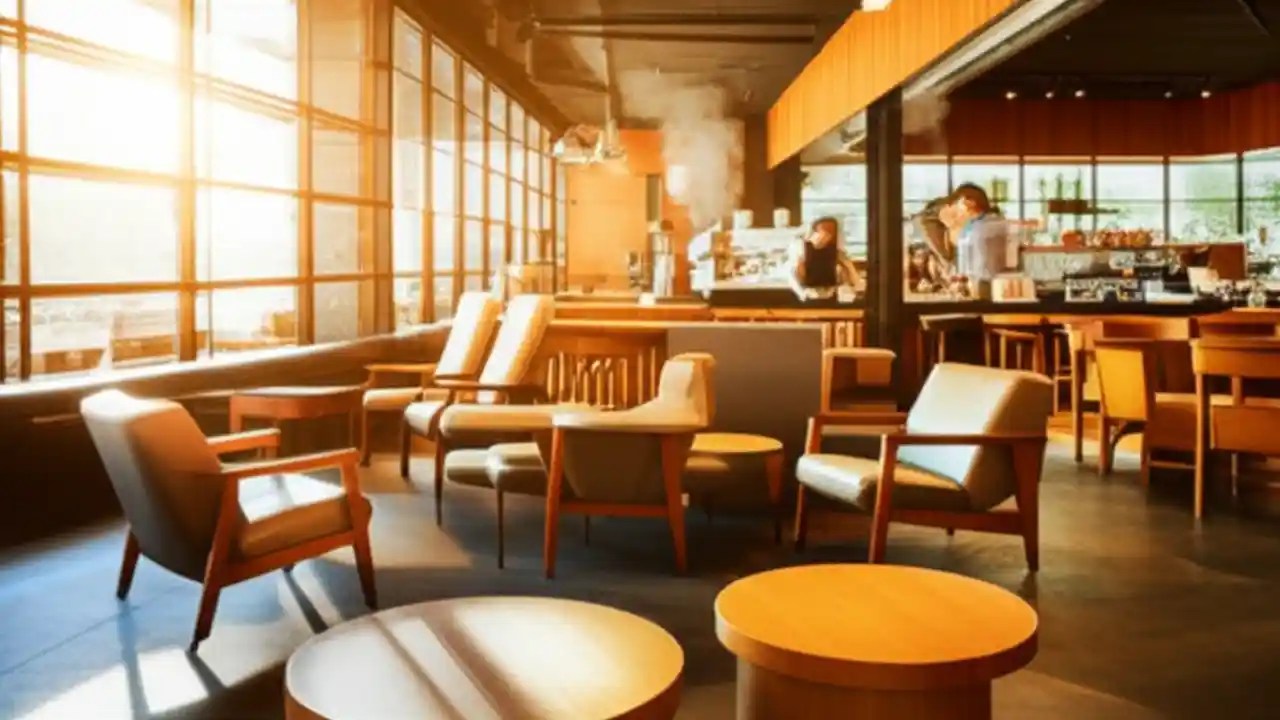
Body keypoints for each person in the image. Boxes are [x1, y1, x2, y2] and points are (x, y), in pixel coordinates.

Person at [946, 183, 1009, 298]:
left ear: (971, 202)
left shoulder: (985, 226)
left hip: (986, 284)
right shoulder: (972, 225)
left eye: (958, 203)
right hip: (979, 283)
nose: (956, 209)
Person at [787, 216, 861, 300]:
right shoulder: (801, 253)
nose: (826, 237)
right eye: (822, 232)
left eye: (831, 233)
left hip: (835, 300)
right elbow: (792, 276)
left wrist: (847, 265)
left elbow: (857, 284)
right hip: (808, 299)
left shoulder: (840, 256)